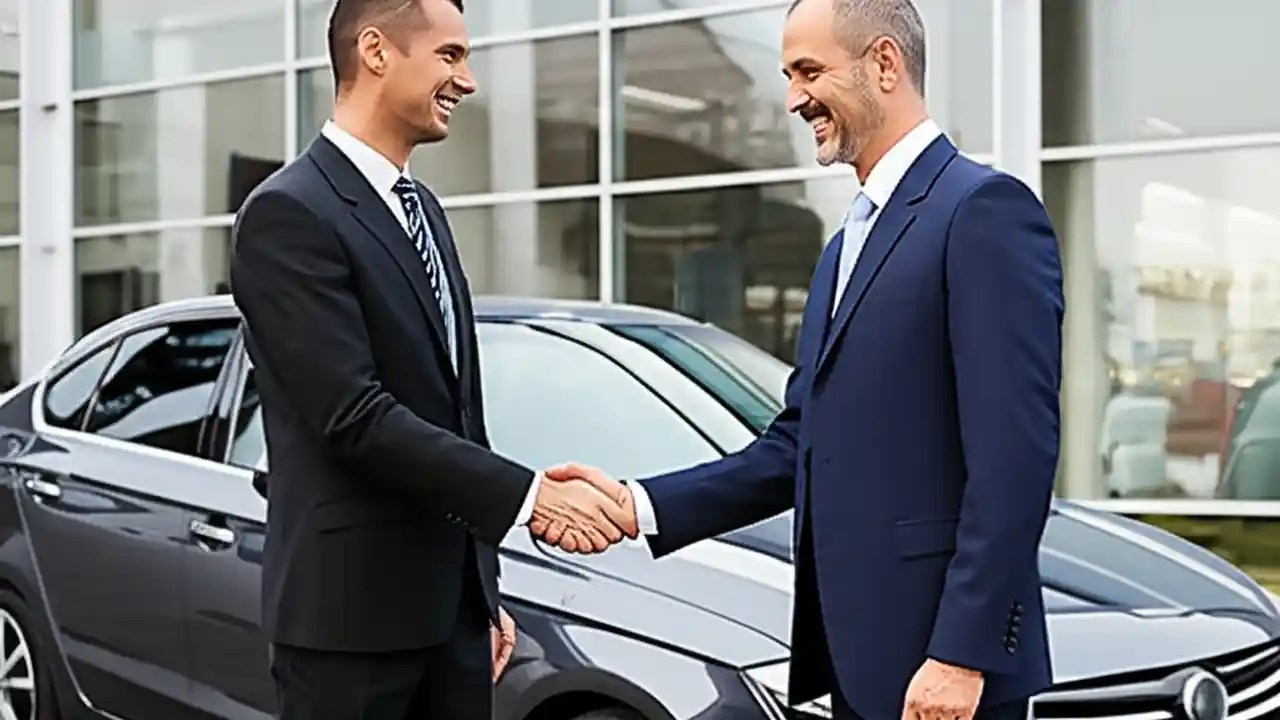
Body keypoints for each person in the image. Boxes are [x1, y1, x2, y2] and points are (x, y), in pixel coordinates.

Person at [538, 0, 1063, 718]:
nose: (793, 99)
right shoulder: (846, 246)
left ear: (885, 63)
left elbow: (1015, 461)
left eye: (810, 71)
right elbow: (796, 445)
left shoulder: (983, 212)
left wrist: (961, 656)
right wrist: (638, 506)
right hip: (862, 664)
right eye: (788, 75)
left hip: (942, 674)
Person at [229, 1, 636, 717]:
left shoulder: (423, 211)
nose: (467, 81)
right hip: (349, 630)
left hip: (453, 623)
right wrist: (531, 498)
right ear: (376, 51)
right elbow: (354, 416)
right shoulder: (288, 213)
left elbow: (454, 414)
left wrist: (481, 590)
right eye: (450, 55)